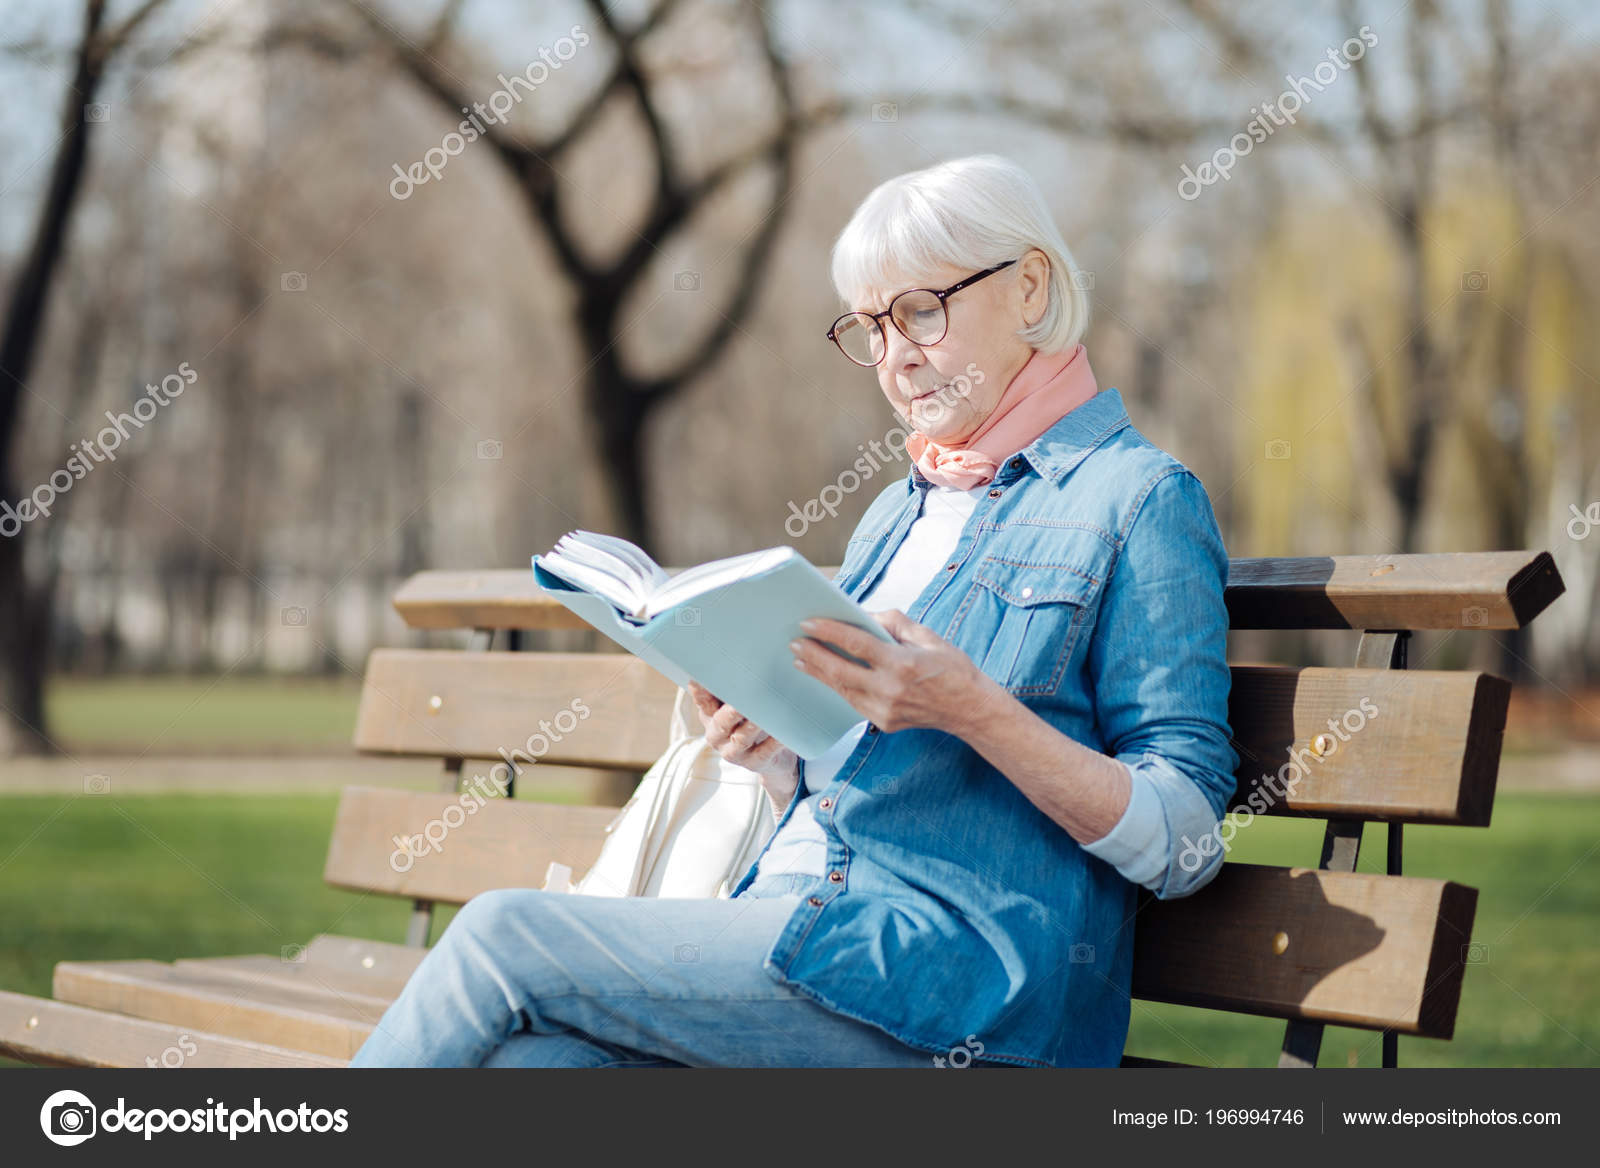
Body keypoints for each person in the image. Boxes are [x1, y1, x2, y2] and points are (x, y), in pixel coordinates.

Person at [349, 154, 1238, 1069]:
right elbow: (850, 779)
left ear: (1028, 287)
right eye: (870, 328)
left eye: (923, 311)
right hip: (790, 928)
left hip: (951, 988)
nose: (896, 359)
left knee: (504, 934)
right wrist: (777, 753)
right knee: (533, 1072)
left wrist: (974, 711)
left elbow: (1187, 840)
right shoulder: (901, 510)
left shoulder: (1139, 501)